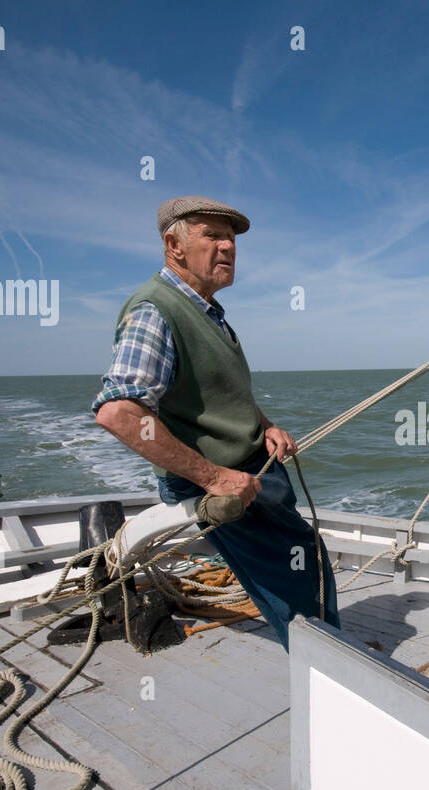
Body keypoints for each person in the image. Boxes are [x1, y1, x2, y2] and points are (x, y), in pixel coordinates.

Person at [93, 195, 339, 647]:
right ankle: (329, 676)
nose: (227, 247)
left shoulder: (208, 313)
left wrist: (265, 426)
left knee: (306, 558)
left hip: (252, 471)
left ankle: (331, 658)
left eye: (230, 238)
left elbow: (220, 395)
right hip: (219, 480)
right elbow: (119, 412)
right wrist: (212, 476)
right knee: (297, 572)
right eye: (213, 235)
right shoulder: (156, 309)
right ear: (174, 245)